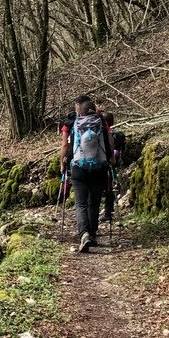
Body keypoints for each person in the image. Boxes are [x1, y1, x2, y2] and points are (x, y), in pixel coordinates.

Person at [61, 95, 113, 253]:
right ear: (94, 111)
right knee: (94, 202)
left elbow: (65, 145)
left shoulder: (74, 123)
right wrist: (111, 160)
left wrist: (63, 164)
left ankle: (84, 234)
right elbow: (110, 142)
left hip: (78, 168)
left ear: (80, 110)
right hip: (99, 168)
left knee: (81, 203)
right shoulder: (101, 123)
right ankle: (92, 233)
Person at [99, 110, 125, 223]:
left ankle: (106, 213)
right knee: (110, 189)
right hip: (111, 164)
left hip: (104, 164)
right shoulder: (116, 135)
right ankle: (108, 212)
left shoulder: (104, 134)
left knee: (106, 190)